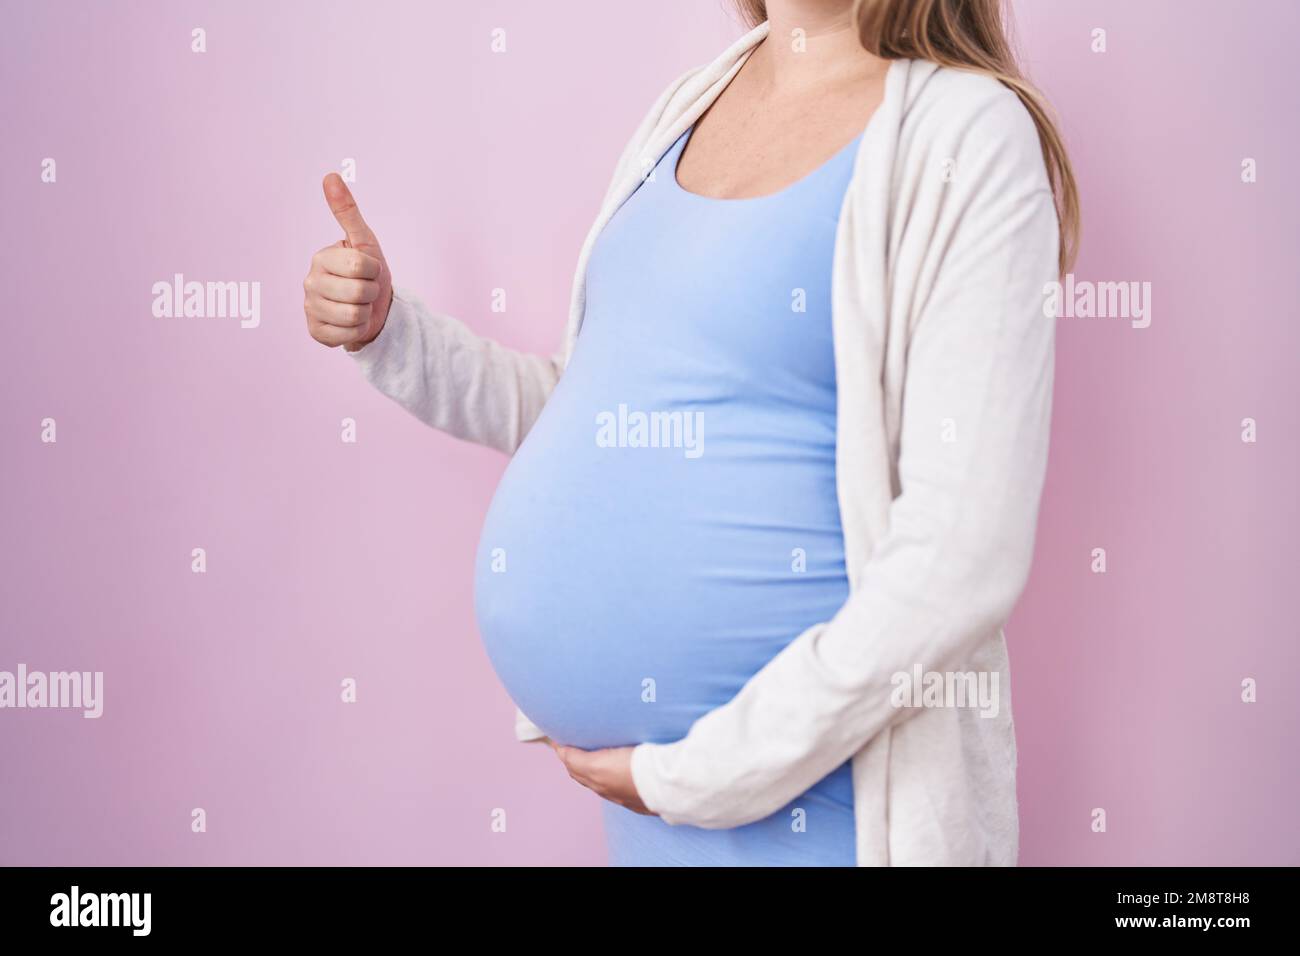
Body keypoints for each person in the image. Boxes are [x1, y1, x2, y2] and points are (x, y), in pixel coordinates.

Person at [302, 0, 1078, 866]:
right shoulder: (691, 105)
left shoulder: (967, 135)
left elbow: (963, 558)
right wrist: (390, 333)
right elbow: (591, 414)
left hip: (832, 818)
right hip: (645, 820)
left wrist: (704, 777)